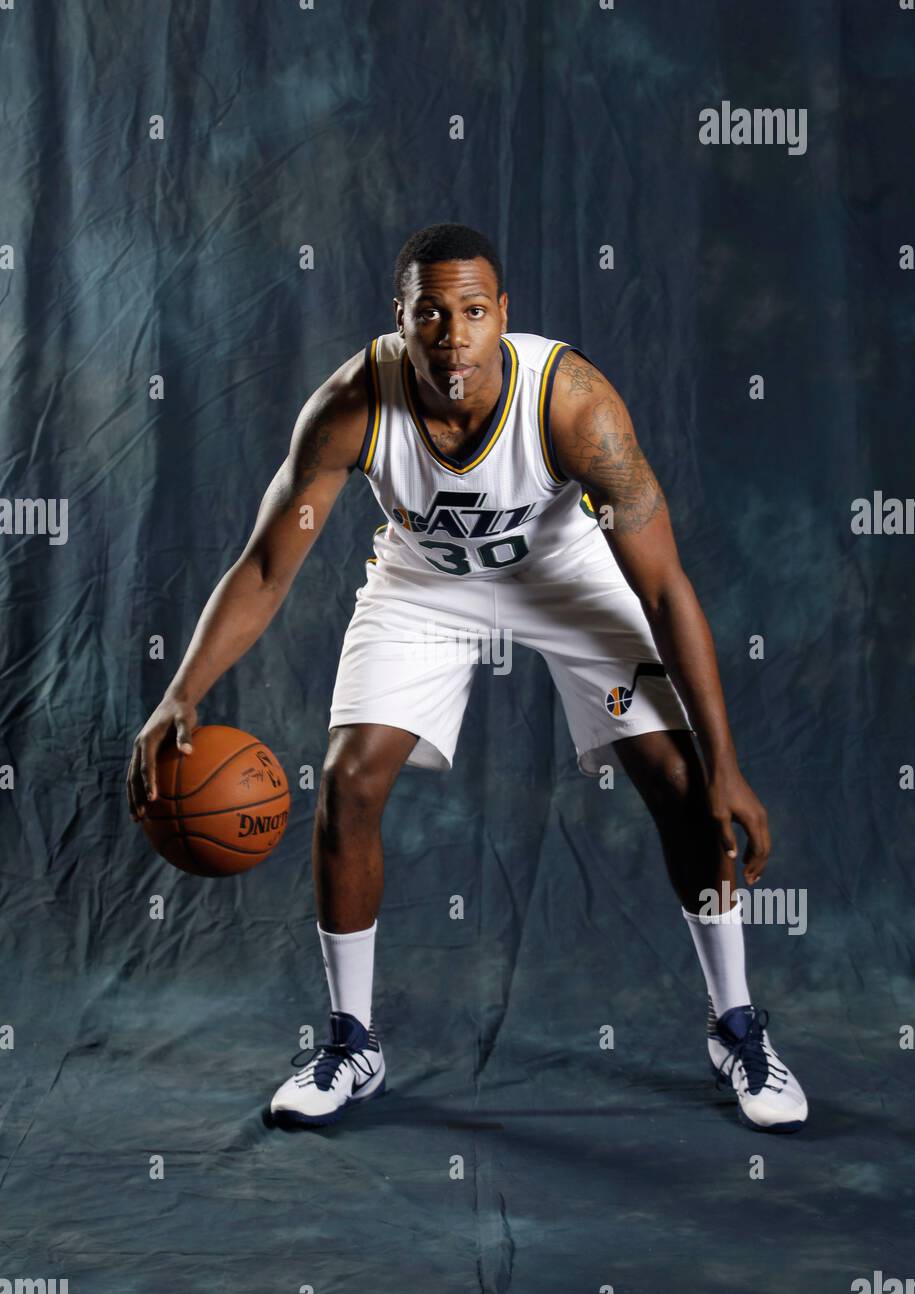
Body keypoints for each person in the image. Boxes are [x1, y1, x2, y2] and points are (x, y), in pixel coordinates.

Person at [126, 222, 807, 1135]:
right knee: (346, 780)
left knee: (682, 784)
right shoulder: (351, 407)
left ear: (503, 316)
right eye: (430, 314)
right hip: (425, 586)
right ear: (399, 319)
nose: (453, 334)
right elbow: (263, 569)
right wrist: (182, 689)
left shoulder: (574, 405)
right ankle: (350, 1043)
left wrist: (725, 762)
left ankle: (734, 1026)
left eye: (474, 312)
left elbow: (663, 587)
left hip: (564, 580)